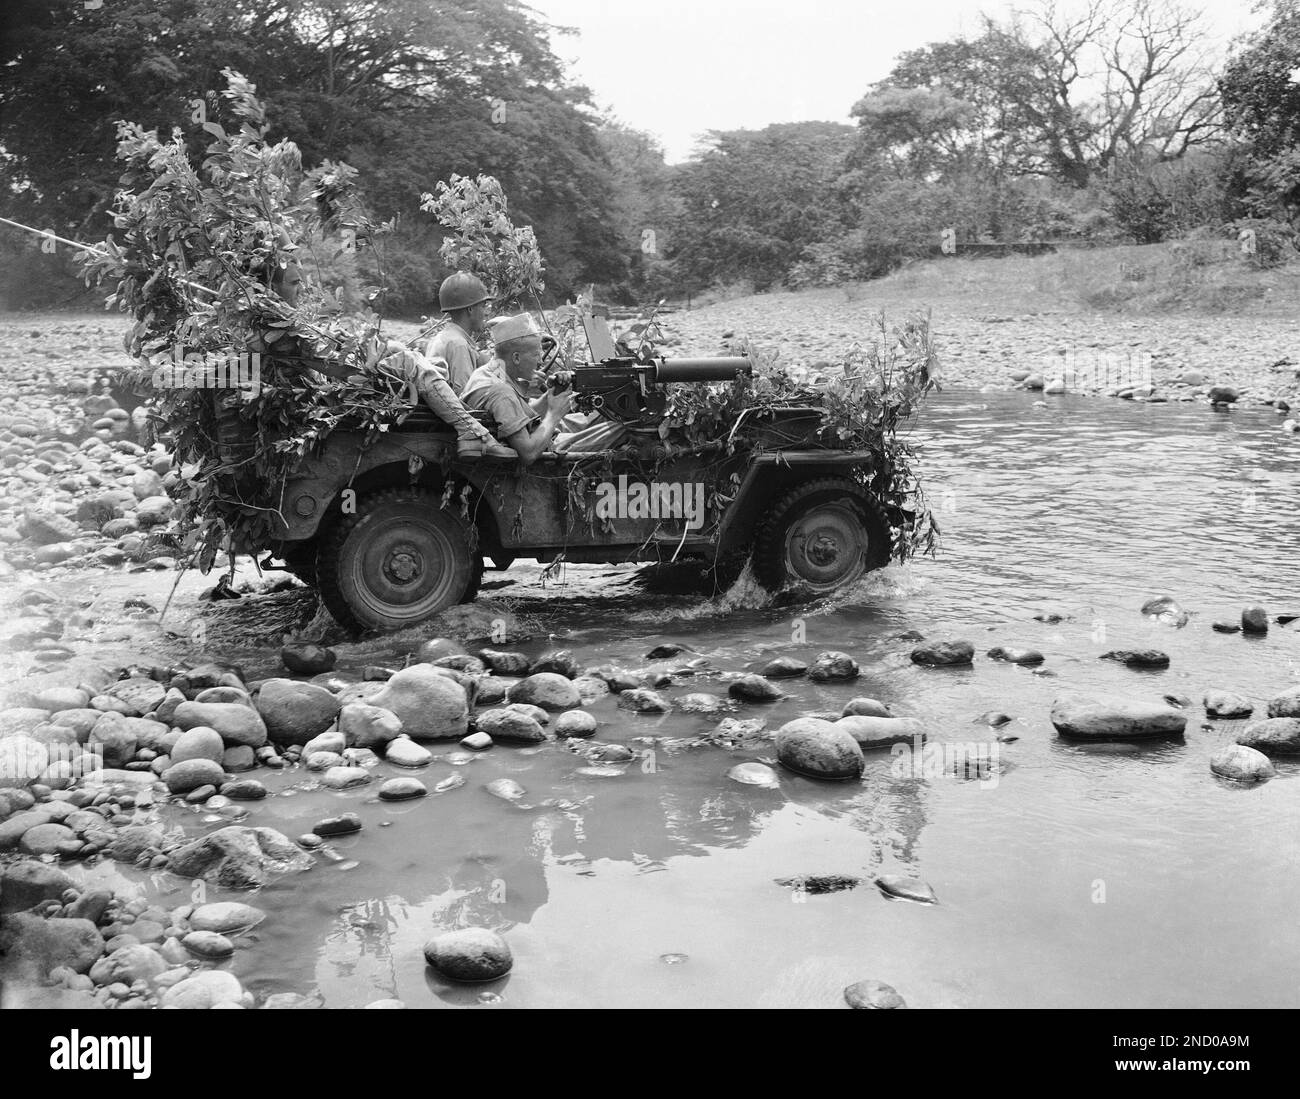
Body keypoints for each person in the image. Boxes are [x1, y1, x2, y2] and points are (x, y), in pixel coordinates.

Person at [263, 258, 514, 460]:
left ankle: (466, 424)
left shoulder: (284, 320)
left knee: (400, 351)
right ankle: (470, 430)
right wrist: (368, 358)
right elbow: (338, 367)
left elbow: (322, 356)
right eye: (294, 283)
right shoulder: (279, 325)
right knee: (410, 360)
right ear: (273, 287)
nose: (301, 289)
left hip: (330, 386)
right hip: (328, 392)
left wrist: (345, 341)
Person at [461, 314, 628, 466]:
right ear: (516, 357)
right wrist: (554, 415)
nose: (540, 360)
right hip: (546, 454)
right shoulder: (501, 393)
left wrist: (550, 396)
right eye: (536, 354)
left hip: (540, 435)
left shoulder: (487, 373)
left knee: (604, 414)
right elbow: (528, 453)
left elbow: (520, 415)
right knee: (627, 427)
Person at [426, 272, 493, 394]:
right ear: (470, 309)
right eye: (483, 306)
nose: (486, 313)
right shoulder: (459, 345)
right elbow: (464, 395)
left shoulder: (442, 337)